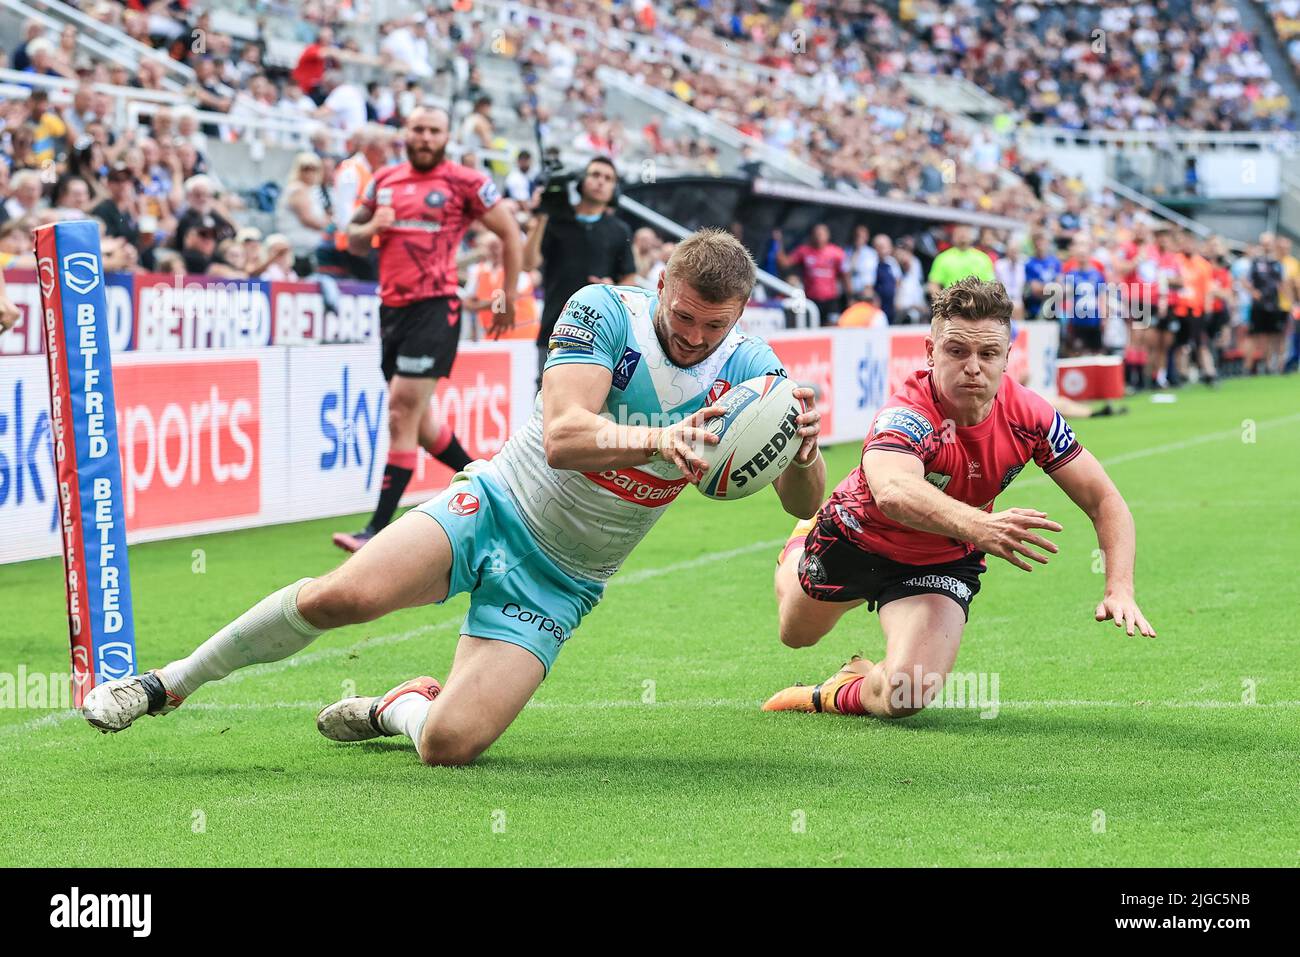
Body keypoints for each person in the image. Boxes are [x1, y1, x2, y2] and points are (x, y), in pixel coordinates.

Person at [80, 230, 826, 769]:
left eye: (712, 326)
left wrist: (803, 450)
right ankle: (164, 684)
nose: (693, 336)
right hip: (497, 506)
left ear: (740, 317)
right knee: (345, 596)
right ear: (661, 283)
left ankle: (397, 704)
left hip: (564, 580)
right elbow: (567, 435)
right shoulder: (604, 311)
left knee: (448, 746)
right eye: (684, 315)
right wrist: (660, 439)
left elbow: (799, 500)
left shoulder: (753, 370)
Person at [763, 277, 1155, 721]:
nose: (973, 366)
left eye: (988, 354)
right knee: (794, 634)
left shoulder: (1032, 416)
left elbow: (1104, 500)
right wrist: (981, 527)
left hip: (940, 559)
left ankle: (834, 691)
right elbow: (893, 492)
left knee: (907, 695)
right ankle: (801, 543)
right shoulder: (906, 413)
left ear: (1008, 357)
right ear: (930, 352)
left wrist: (1119, 587)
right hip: (856, 538)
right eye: (957, 351)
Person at [331, 106, 523, 554]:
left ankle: (376, 529)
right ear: (406, 133)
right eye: (418, 129)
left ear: (445, 136)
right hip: (392, 310)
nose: (424, 137)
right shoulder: (384, 180)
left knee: (400, 411)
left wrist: (506, 297)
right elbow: (352, 239)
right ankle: (502, 495)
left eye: (433, 131)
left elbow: (510, 235)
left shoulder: (466, 182)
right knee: (421, 425)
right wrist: (369, 227)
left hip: (436, 307)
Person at [523, 156, 637, 381]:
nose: (600, 182)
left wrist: (613, 289)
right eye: (595, 175)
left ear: (614, 188)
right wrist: (542, 214)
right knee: (545, 408)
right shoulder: (554, 220)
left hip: (600, 336)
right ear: (581, 181)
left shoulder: (619, 230)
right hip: (553, 331)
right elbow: (528, 263)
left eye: (608, 178)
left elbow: (630, 280)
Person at [775, 223, 845, 326]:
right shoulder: (804, 251)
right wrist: (778, 242)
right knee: (813, 328)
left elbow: (844, 275)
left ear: (828, 235)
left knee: (832, 328)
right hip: (812, 300)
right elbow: (784, 263)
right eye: (816, 234)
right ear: (812, 235)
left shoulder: (836, 253)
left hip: (831, 300)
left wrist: (850, 296)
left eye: (821, 234)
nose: (819, 237)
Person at [926, 224, 995, 297]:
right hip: (952, 304)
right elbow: (933, 284)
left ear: (971, 236)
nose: (962, 235)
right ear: (953, 236)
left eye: (965, 232)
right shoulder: (942, 258)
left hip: (977, 304)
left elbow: (990, 285)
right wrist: (942, 303)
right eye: (959, 233)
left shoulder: (983, 258)